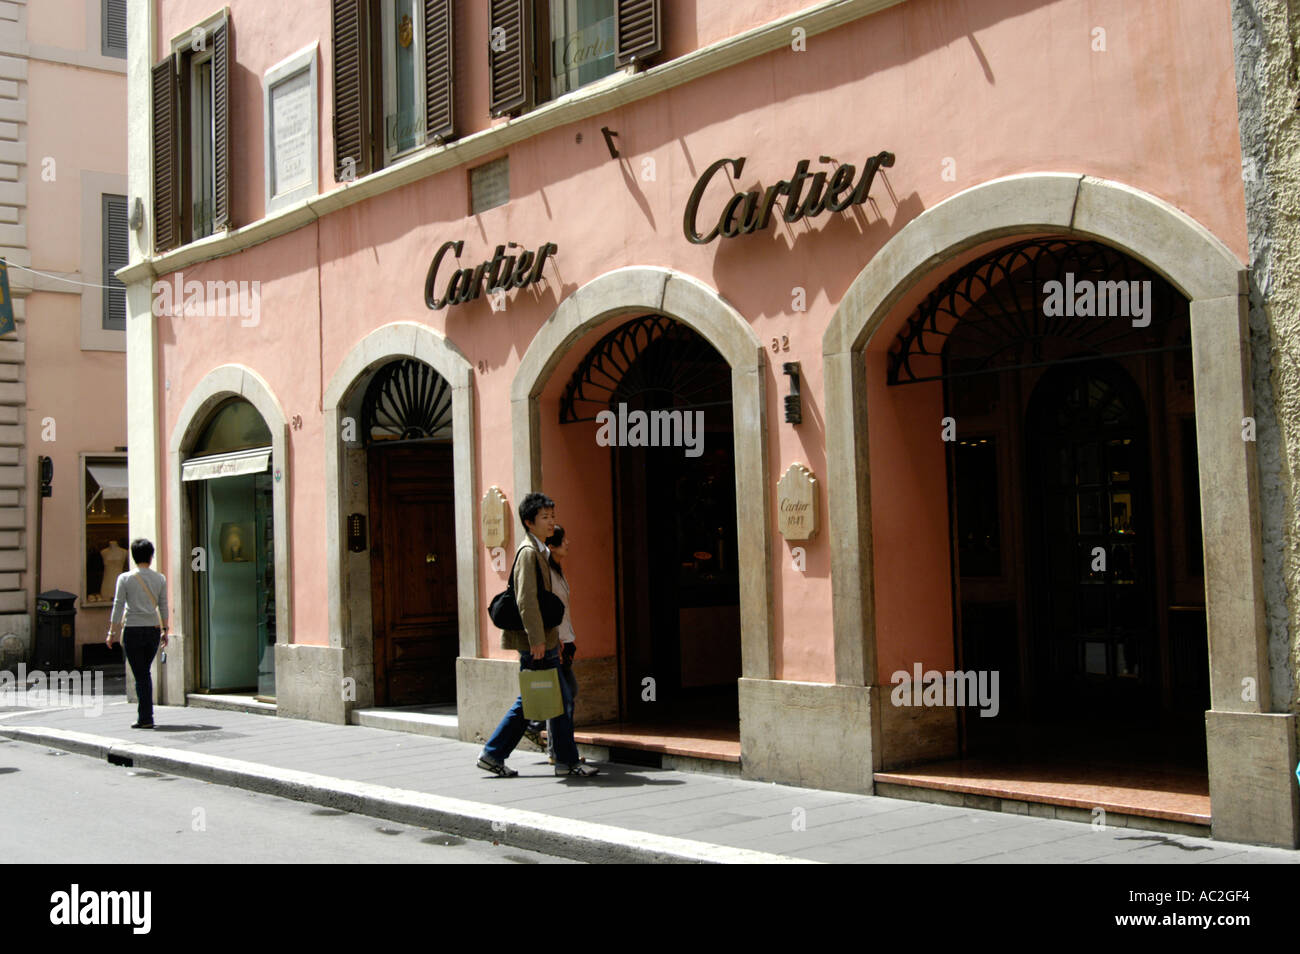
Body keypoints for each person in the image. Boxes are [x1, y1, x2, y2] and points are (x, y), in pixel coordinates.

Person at [477, 493, 598, 778]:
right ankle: (500, 753)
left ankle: (499, 754)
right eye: (545, 518)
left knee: (552, 699)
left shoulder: (538, 550)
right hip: (538, 642)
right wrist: (537, 641)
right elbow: (526, 601)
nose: (551, 523)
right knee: (542, 700)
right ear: (529, 522)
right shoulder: (529, 553)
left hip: (544, 640)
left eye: (553, 517)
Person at [524, 524, 582, 764]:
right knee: (563, 697)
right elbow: (545, 609)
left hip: (565, 638)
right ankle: (556, 751)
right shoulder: (546, 572)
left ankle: (537, 728)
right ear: (551, 546)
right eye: (563, 540)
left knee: (567, 694)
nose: (568, 543)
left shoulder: (557, 570)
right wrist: (555, 639)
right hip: (554, 640)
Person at [105, 538, 169, 729]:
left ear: (133, 556)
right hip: (152, 631)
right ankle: (145, 716)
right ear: (151, 556)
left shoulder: (125, 578)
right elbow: (164, 606)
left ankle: (146, 717)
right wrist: (165, 629)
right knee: (144, 673)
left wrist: (112, 632)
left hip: (132, 630)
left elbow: (118, 606)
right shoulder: (160, 578)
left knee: (141, 674)